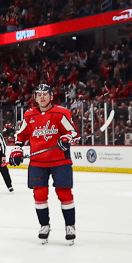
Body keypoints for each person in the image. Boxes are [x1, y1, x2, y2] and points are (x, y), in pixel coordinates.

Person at [10, 84, 79, 244]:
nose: (42, 97)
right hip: (37, 162)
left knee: (64, 194)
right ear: (35, 98)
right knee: (39, 195)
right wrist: (17, 150)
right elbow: (21, 135)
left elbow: (73, 133)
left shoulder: (61, 112)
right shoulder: (29, 115)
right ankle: (44, 226)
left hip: (60, 161)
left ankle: (70, 226)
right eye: (39, 94)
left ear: (51, 96)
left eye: (45, 94)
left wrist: (65, 140)